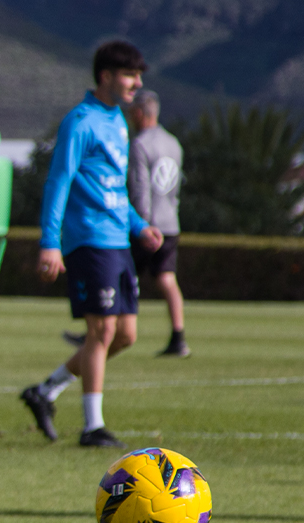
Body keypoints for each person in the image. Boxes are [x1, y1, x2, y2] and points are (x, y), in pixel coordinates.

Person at [20, 40, 164, 448]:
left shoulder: (118, 120)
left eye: (138, 76)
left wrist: (139, 226)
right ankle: (92, 427)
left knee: (125, 336)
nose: (137, 83)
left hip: (118, 241)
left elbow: (113, 187)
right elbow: (59, 180)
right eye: (130, 75)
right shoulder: (80, 122)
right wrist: (50, 243)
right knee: (101, 331)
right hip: (88, 240)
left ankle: (46, 390)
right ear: (106, 76)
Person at [127, 89, 189, 357]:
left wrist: (141, 226)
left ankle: (103, 326)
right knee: (167, 279)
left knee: (121, 274)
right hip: (170, 223)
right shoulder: (174, 143)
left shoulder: (140, 144)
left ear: (140, 113)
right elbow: (174, 190)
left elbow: (141, 191)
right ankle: (179, 336)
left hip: (148, 225)